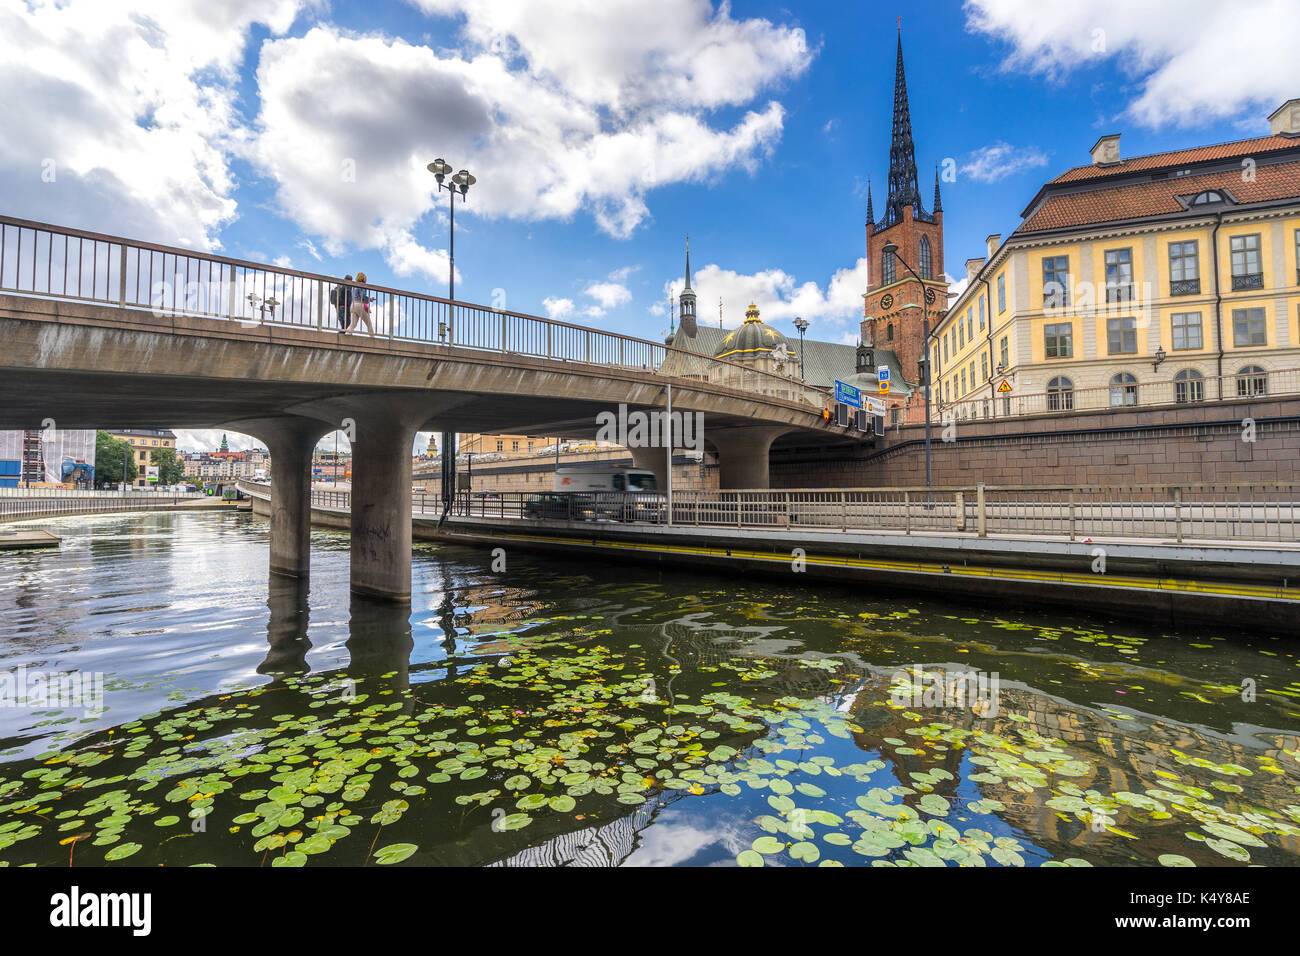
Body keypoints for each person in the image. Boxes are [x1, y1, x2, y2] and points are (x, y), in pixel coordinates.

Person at [349, 271, 375, 336]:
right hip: (359, 305)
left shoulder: (354, 286)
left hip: (353, 305)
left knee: (353, 324)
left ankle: (347, 334)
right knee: (368, 323)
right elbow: (362, 296)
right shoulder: (362, 285)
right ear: (364, 278)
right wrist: (369, 299)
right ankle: (373, 338)